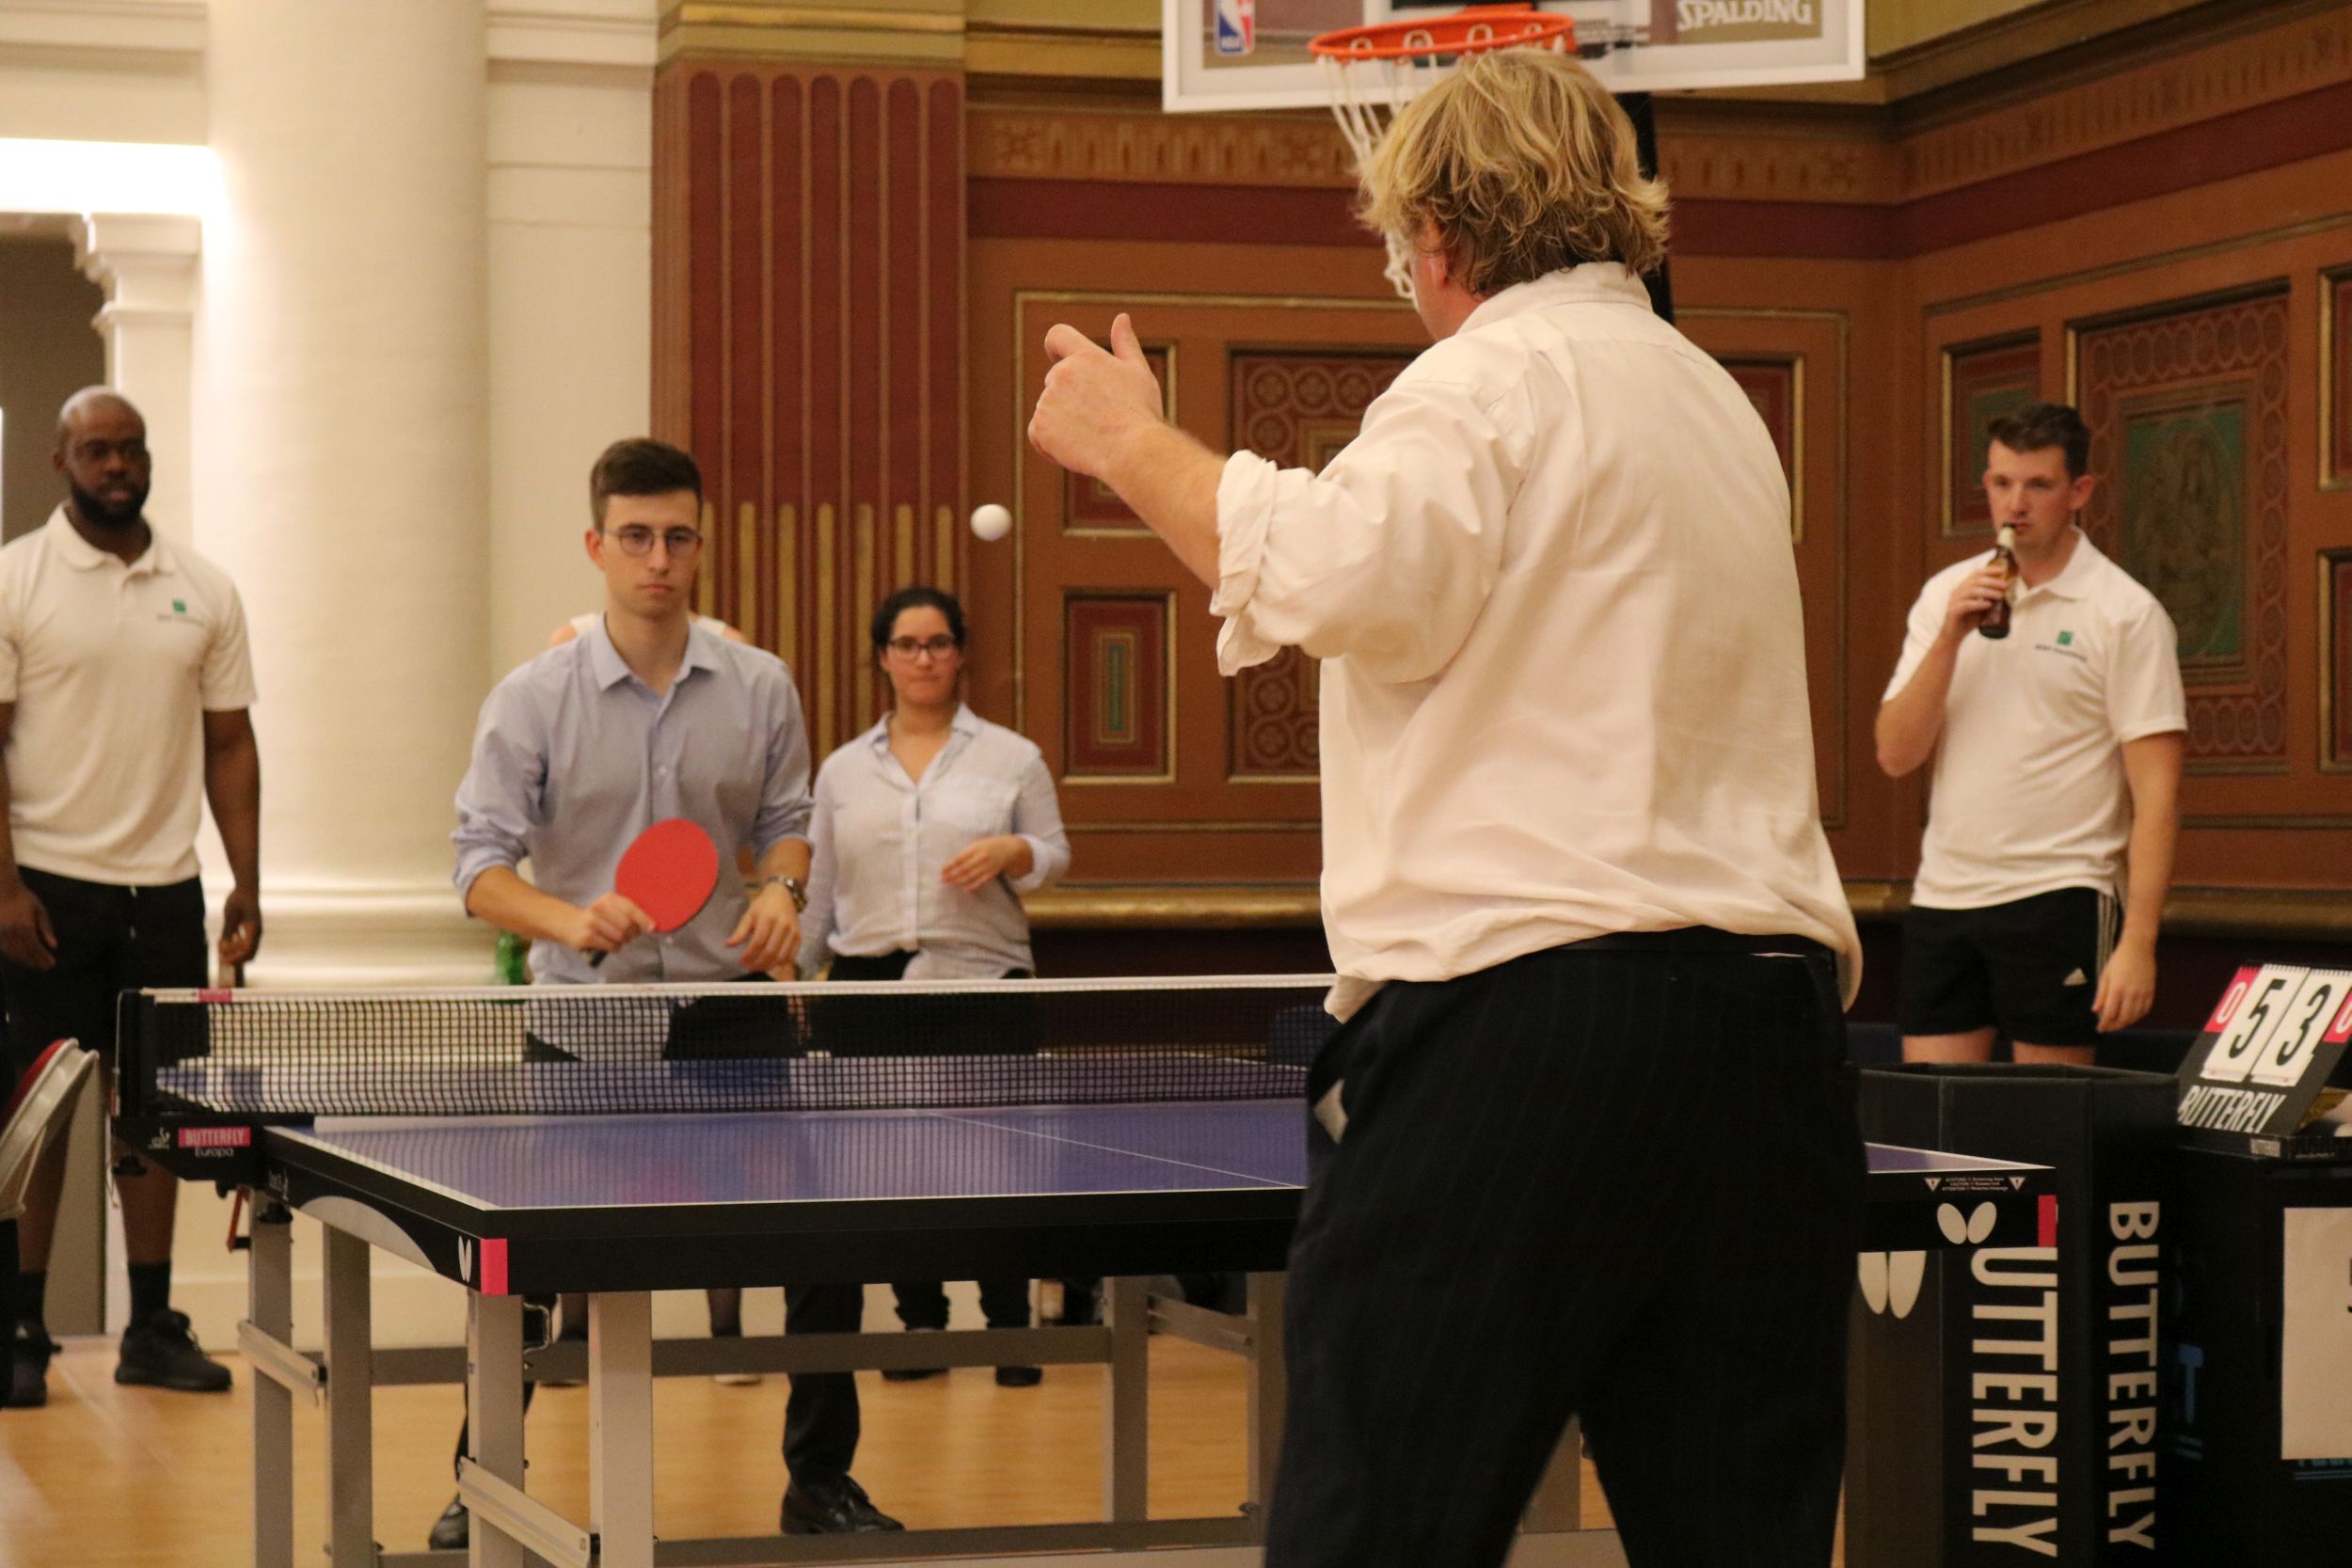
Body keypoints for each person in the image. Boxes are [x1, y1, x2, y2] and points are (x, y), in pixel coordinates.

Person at [1026, 49, 1863, 1568]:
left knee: (1377, 1522)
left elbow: (1344, 569)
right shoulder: (1719, 406)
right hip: (1768, 1046)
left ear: (1441, 236)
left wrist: (1125, 442)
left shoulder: (1485, 374)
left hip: (1525, 1038)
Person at [446, 436, 898, 1544]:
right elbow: (477, 868)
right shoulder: (532, 698)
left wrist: (785, 893)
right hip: (583, 1021)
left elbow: (789, 825)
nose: (659, 557)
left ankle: (817, 1479)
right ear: (597, 545)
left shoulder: (762, 686)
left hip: (730, 1014)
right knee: (527, 1268)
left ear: (701, 544)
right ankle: (479, 1480)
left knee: (817, 1247)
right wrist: (567, 916)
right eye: (636, 536)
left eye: (678, 536)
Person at [0, 388, 261, 1408]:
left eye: (132, 448)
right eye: (98, 449)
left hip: (166, 893)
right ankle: (20, 1320)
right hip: (47, 893)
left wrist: (245, 873)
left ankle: (150, 1322)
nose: (118, 463)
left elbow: (229, 740)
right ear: (63, 459)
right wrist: (5, 885)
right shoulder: (16, 579)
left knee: (150, 1116)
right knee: (39, 1115)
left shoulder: (202, 586)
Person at [799, 585, 1071, 1386]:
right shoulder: (844, 769)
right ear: (883, 656)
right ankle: (920, 1326)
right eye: (908, 644)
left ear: (959, 654)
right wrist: (794, 973)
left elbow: (1057, 856)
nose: (924, 658)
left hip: (982, 978)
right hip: (869, 986)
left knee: (1001, 1164)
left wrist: (1015, 851)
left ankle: (1010, 1329)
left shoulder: (1011, 755)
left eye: (939, 643)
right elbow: (819, 889)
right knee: (890, 1165)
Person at [1877, 402, 2185, 1065]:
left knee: (2048, 1130)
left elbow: (2157, 799)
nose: (2015, 504)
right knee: (1934, 1130)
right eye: (2000, 483)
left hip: (2061, 892)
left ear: (2079, 492)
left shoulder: (2125, 613)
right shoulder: (1944, 595)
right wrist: (1949, 640)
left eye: (2038, 485)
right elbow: (1896, 754)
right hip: (1945, 894)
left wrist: (2139, 942)